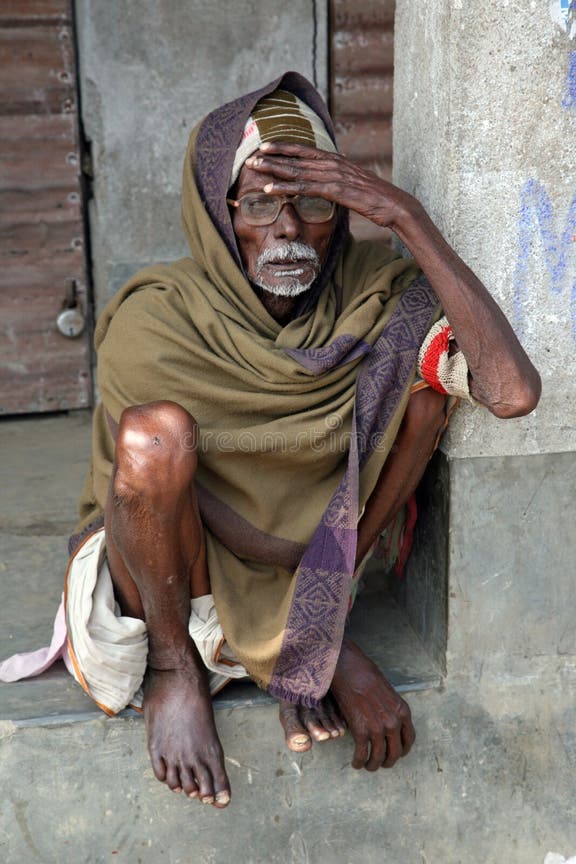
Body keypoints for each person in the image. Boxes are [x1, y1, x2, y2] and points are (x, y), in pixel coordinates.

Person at [0, 72, 540, 809]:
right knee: (156, 442)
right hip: (169, 583)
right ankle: (177, 674)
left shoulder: (374, 289)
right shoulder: (156, 316)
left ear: (344, 212)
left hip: (314, 572)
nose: (287, 231)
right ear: (218, 215)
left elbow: (513, 393)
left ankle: (280, 643)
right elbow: (192, 510)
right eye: (257, 205)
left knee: (424, 400)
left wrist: (405, 215)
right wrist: (316, 645)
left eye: (315, 204)